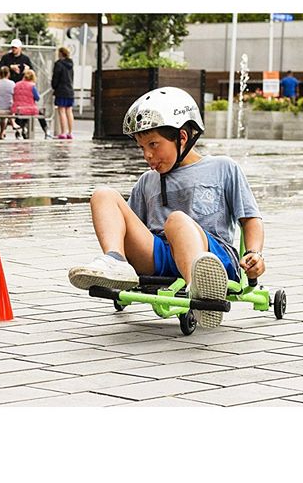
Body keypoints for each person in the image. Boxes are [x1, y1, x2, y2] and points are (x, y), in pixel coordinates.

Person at [67, 87, 265, 329]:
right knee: (103, 194)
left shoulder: (223, 168)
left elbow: (250, 219)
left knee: (177, 221)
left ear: (182, 137)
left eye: (154, 144)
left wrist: (253, 254)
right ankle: (115, 262)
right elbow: (131, 228)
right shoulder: (147, 180)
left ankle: (201, 288)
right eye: (142, 147)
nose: (147, 155)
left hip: (212, 254)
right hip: (160, 254)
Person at [11, 68, 51, 139]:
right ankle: (46, 131)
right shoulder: (32, 86)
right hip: (30, 108)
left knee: (20, 114)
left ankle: (20, 131)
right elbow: (37, 98)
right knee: (40, 114)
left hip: (18, 108)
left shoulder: (16, 84)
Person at [51, 46, 75, 139]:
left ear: (61, 53)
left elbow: (56, 77)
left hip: (61, 90)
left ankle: (63, 132)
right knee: (69, 111)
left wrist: (54, 86)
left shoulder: (59, 64)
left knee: (62, 111)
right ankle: (70, 132)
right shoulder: (70, 64)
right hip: (70, 90)